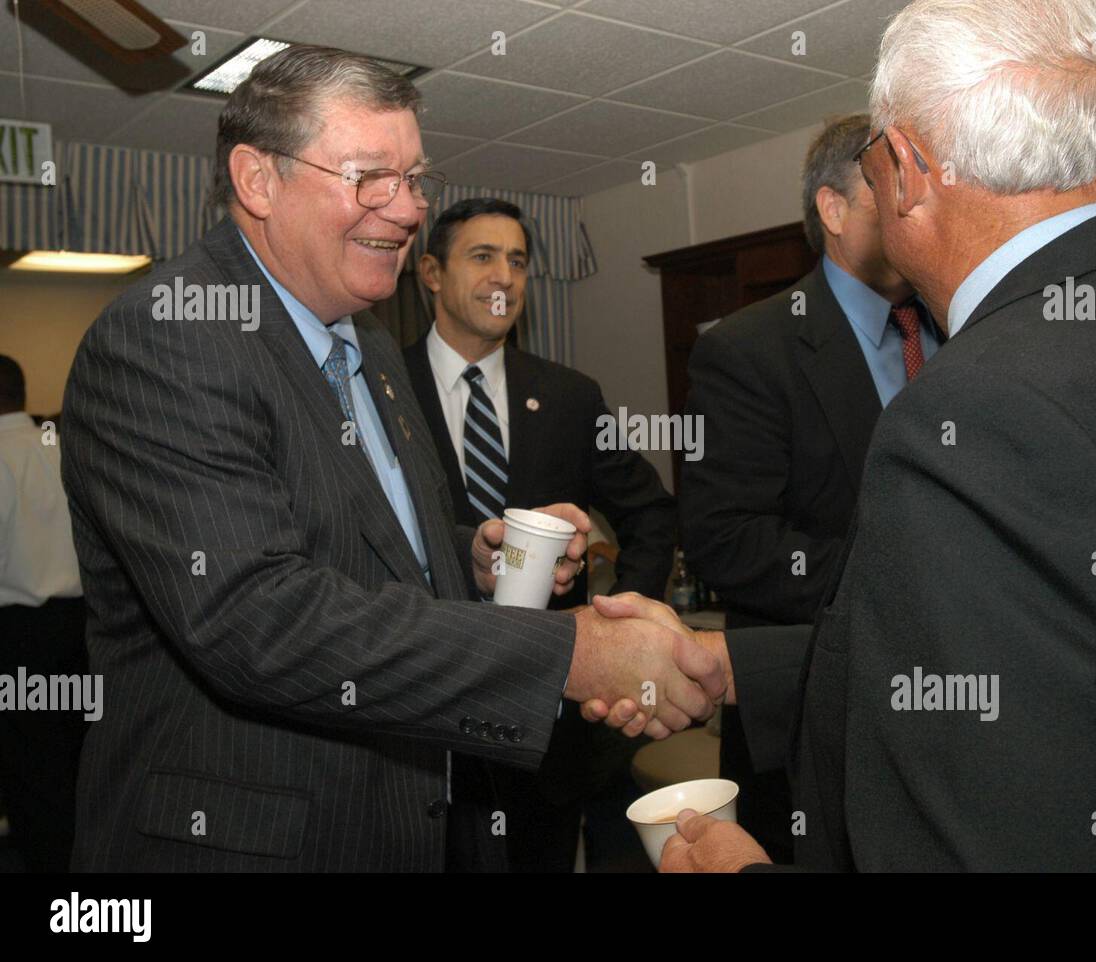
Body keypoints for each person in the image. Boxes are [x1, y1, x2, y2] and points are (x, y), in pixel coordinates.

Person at [588, 0, 1096, 871]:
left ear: (913, 170)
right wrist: (732, 665)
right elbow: (1049, 657)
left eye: (881, 156)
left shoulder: (980, 416)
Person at [59, 45, 723, 872]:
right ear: (258, 179)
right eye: (370, 177)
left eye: (414, 179)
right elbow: (256, 618)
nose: (407, 210)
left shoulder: (368, 345)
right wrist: (571, 654)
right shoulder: (169, 335)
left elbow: (361, 550)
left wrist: (468, 555)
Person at [678, 114, 939, 860]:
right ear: (833, 209)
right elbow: (725, 540)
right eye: (894, 192)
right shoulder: (748, 349)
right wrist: (904, 587)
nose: (913, 212)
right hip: (813, 717)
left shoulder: (954, 327)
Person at [403, 197, 676, 871]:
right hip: (420, 715)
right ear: (432, 274)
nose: (504, 277)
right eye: (483, 256)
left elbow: (654, 512)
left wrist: (615, 620)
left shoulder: (570, 396)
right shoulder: (377, 388)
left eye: (518, 261)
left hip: (547, 726)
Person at [0, 356, 87, 872]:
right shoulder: (59, 448)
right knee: (78, 761)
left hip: (17, 638)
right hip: (80, 632)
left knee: (29, 775)